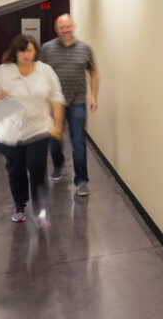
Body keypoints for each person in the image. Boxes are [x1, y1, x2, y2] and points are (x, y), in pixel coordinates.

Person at [0, 34, 64, 223]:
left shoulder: (46, 71)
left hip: (38, 128)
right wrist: (0, 98)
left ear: (35, 51)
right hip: (9, 133)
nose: (26, 54)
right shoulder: (4, 71)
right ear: (15, 52)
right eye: (22, 50)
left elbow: (57, 97)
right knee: (16, 171)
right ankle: (20, 203)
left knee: (37, 167)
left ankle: (40, 207)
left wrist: (59, 124)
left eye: (29, 50)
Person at [42, 14, 99, 197]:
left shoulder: (85, 49)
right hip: (54, 103)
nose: (65, 30)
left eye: (68, 27)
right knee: (54, 139)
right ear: (56, 29)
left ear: (73, 27)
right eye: (61, 27)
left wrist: (94, 97)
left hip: (78, 102)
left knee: (78, 142)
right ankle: (58, 164)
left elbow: (94, 73)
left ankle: (81, 180)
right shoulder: (47, 49)